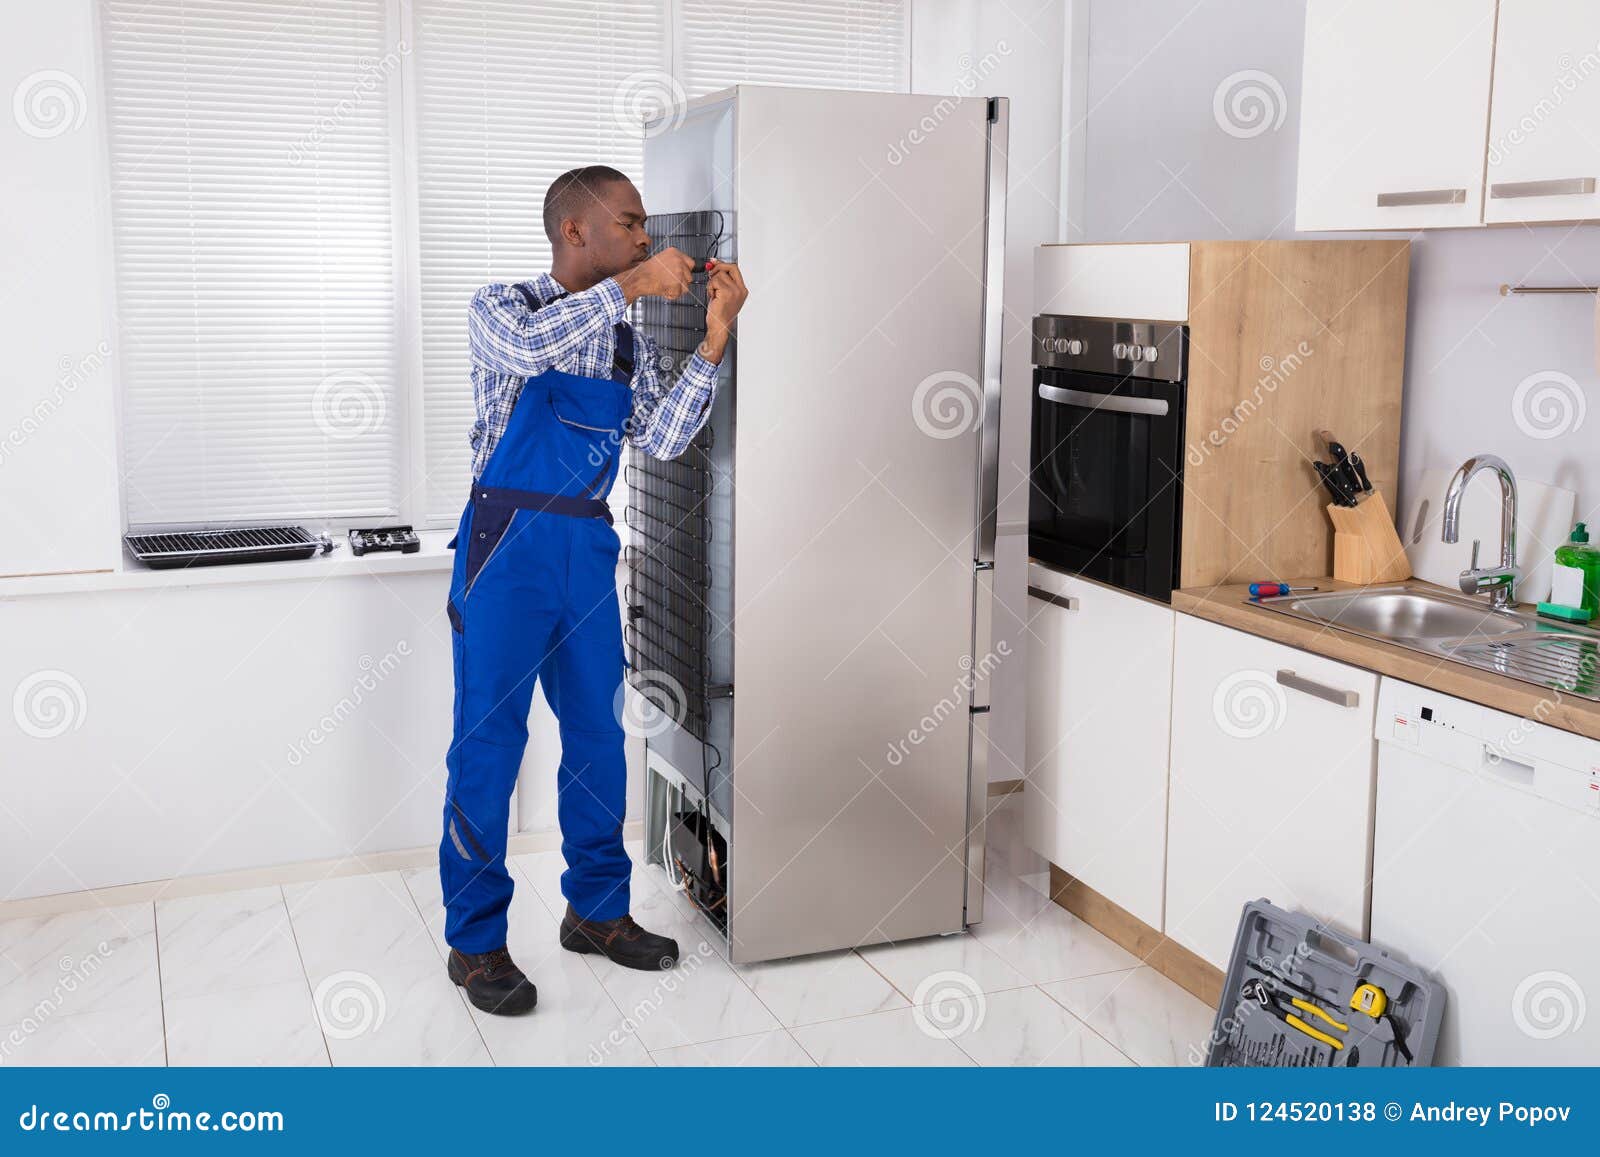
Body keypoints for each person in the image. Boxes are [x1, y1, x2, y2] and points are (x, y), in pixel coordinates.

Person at [439, 165, 748, 1015]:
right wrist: (635, 288)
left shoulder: (627, 341)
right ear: (576, 231)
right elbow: (532, 354)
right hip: (504, 547)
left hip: (585, 547)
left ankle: (598, 911)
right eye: (630, 223)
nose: (645, 237)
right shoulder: (503, 308)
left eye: (645, 229)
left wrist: (714, 339)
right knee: (489, 748)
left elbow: (663, 436)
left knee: (597, 739)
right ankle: (475, 943)